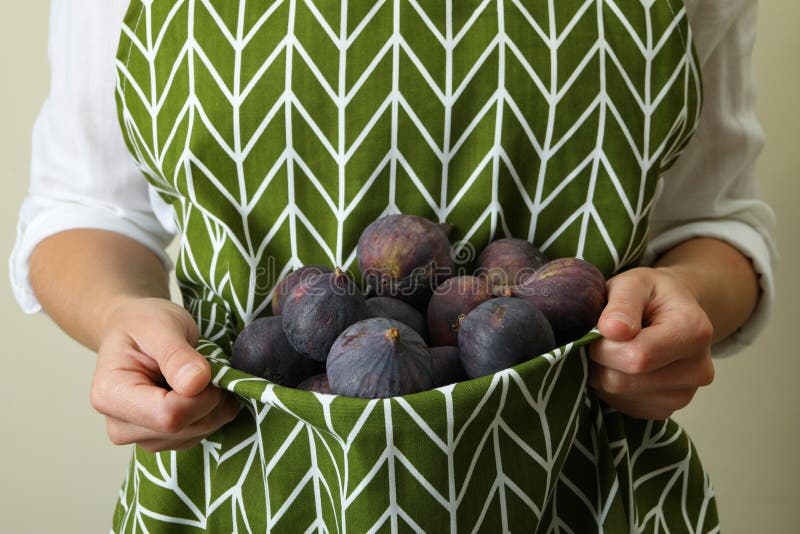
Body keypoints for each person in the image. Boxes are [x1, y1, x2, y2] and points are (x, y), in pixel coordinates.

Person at [10, 0, 777, 531]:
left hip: (579, 492)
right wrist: (121, 315)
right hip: (241, 486)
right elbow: (84, 205)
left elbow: (715, 221)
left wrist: (683, 295)